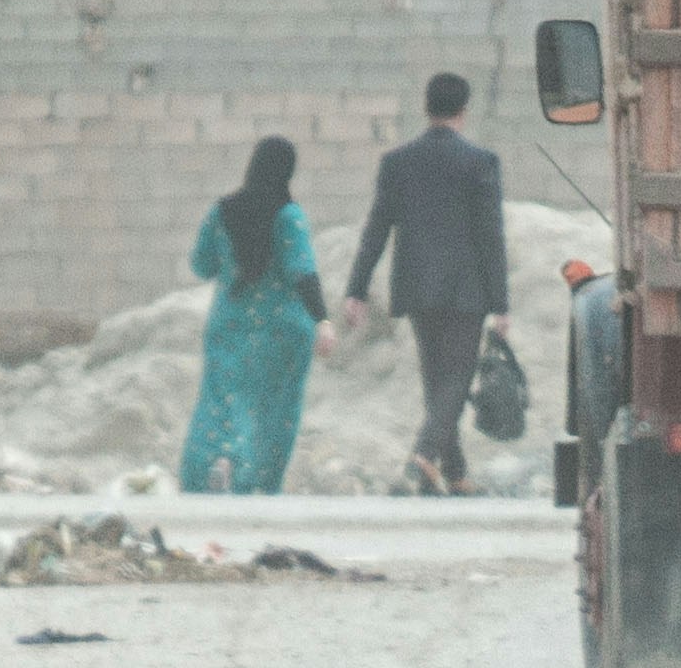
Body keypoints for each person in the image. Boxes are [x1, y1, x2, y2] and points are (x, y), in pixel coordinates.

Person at [342, 71, 510, 495]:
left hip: (416, 286)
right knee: (455, 378)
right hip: (466, 289)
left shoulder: (398, 162)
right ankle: (421, 459)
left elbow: (376, 228)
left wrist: (356, 288)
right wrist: (501, 303)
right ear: (464, 111)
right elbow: (490, 235)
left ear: (426, 108)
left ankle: (455, 474)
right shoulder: (480, 162)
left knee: (437, 379)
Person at [178, 135, 320, 495]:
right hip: (282, 332)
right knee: (272, 410)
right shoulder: (289, 216)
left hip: (230, 326)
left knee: (221, 401)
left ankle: (220, 460)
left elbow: (201, 265)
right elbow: (303, 272)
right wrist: (323, 319)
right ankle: (251, 478)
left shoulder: (222, 211)